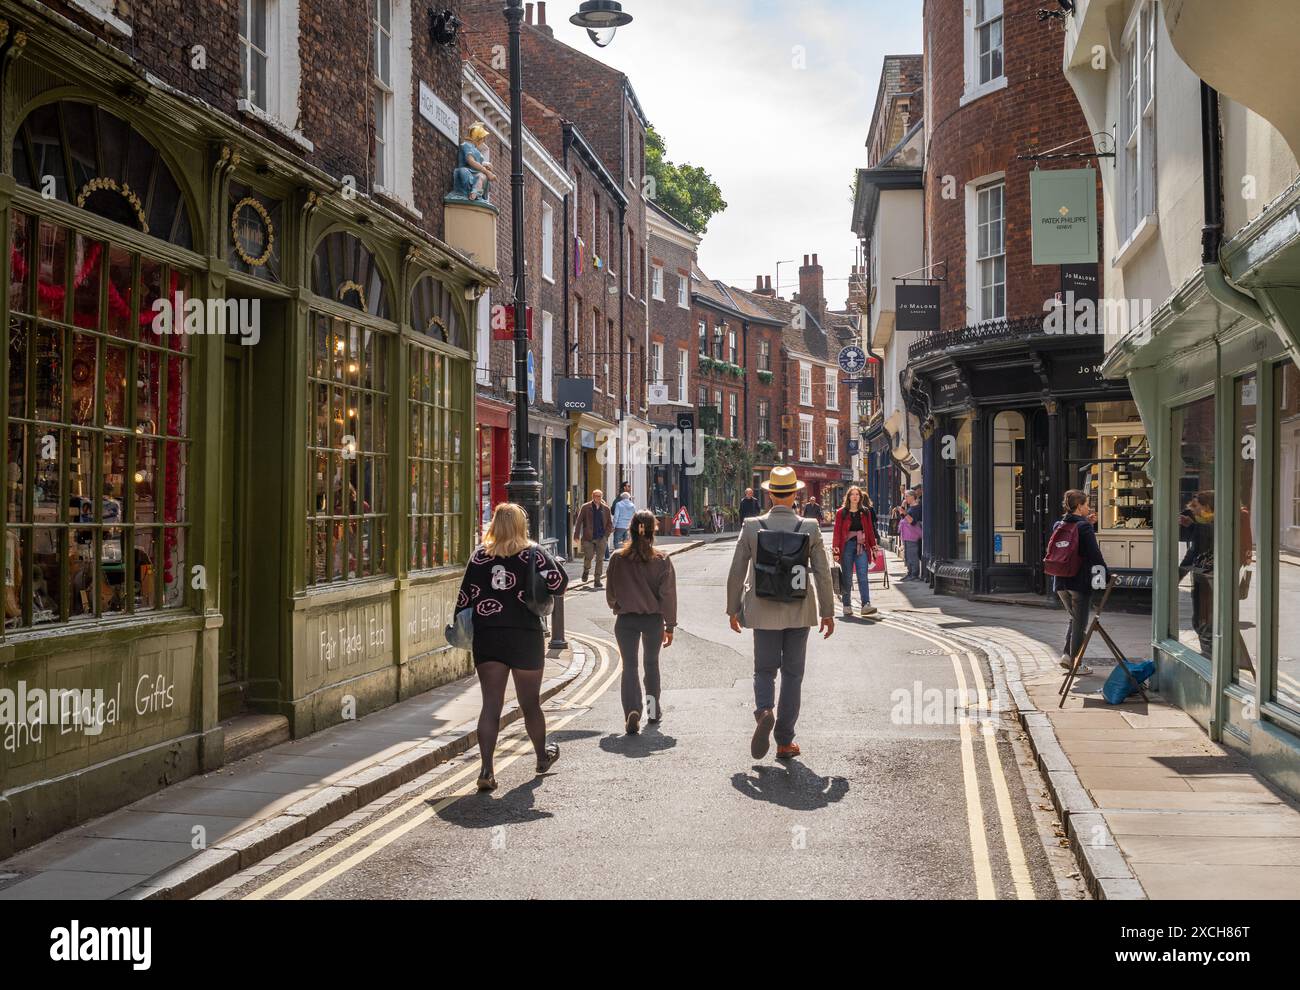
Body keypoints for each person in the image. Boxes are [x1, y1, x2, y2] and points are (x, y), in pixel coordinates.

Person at [458, 503, 569, 792]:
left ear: (494, 525)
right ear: (521, 525)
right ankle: (542, 757)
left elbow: (463, 600)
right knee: (530, 703)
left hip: (488, 636)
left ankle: (486, 770)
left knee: (491, 705)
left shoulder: (479, 557)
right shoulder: (534, 552)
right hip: (524, 635)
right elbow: (560, 584)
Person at [726, 466, 835, 761]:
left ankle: (764, 710)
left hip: (762, 609)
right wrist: (828, 612)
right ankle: (785, 742)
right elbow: (823, 574)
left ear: (770, 494)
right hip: (799, 610)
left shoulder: (751, 526)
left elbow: (736, 572)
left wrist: (732, 609)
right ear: (796, 494)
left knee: (764, 669)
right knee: (793, 674)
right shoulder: (810, 527)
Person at [606, 509, 677, 734]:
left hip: (626, 621)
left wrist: (618, 606)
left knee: (629, 666)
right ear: (653, 530)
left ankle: (631, 711)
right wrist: (670, 625)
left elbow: (610, 593)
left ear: (631, 529)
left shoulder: (618, 557)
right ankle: (653, 711)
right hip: (653, 621)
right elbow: (668, 595)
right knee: (651, 665)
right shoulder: (662, 559)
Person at [1052, 490, 1107, 677]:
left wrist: (1088, 523)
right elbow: (1094, 554)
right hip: (1079, 582)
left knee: (1074, 619)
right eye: (1086, 505)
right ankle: (1076, 664)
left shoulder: (1058, 524)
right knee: (1080, 625)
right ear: (1079, 506)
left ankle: (1067, 656)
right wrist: (1105, 576)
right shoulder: (1084, 528)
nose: (1089, 508)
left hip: (1060, 582)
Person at [832, 486, 878, 617]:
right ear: (848, 497)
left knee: (863, 576)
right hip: (846, 547)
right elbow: (837, 532)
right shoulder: (841, 512)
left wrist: (873, 547)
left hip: (861, 546)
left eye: (857, 494)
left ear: (860, 497)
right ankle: (847, 605)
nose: (855, 496)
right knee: (847, 577)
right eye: (852, 494)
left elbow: (869, 531)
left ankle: (866, 604)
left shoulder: (865, 512)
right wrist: (836, 551)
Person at [573, 489, 613, 587]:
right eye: (596, 496)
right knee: (589, 556)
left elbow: (609, 524)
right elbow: (579, 521)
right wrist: (576, 535)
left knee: (600, 559)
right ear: (592, 496)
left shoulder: (606, 509)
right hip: (588, 537)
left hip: (601, 537)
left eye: (600, 496)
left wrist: (606, 535)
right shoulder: (586, 507)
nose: (598, 498)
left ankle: (597, 580)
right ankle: (586, 570)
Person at [898, 489, 924, 581]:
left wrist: (904, 513)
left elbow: (912, 522)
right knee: (907, 555)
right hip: (906, 534)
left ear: (912, 497)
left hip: (912, 535)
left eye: (906, 496)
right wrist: (903, 506)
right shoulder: (910, 507)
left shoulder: (917, 507)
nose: (905, 498)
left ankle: (914, 574)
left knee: (912, 555)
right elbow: (903, 517)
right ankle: (909, 573)